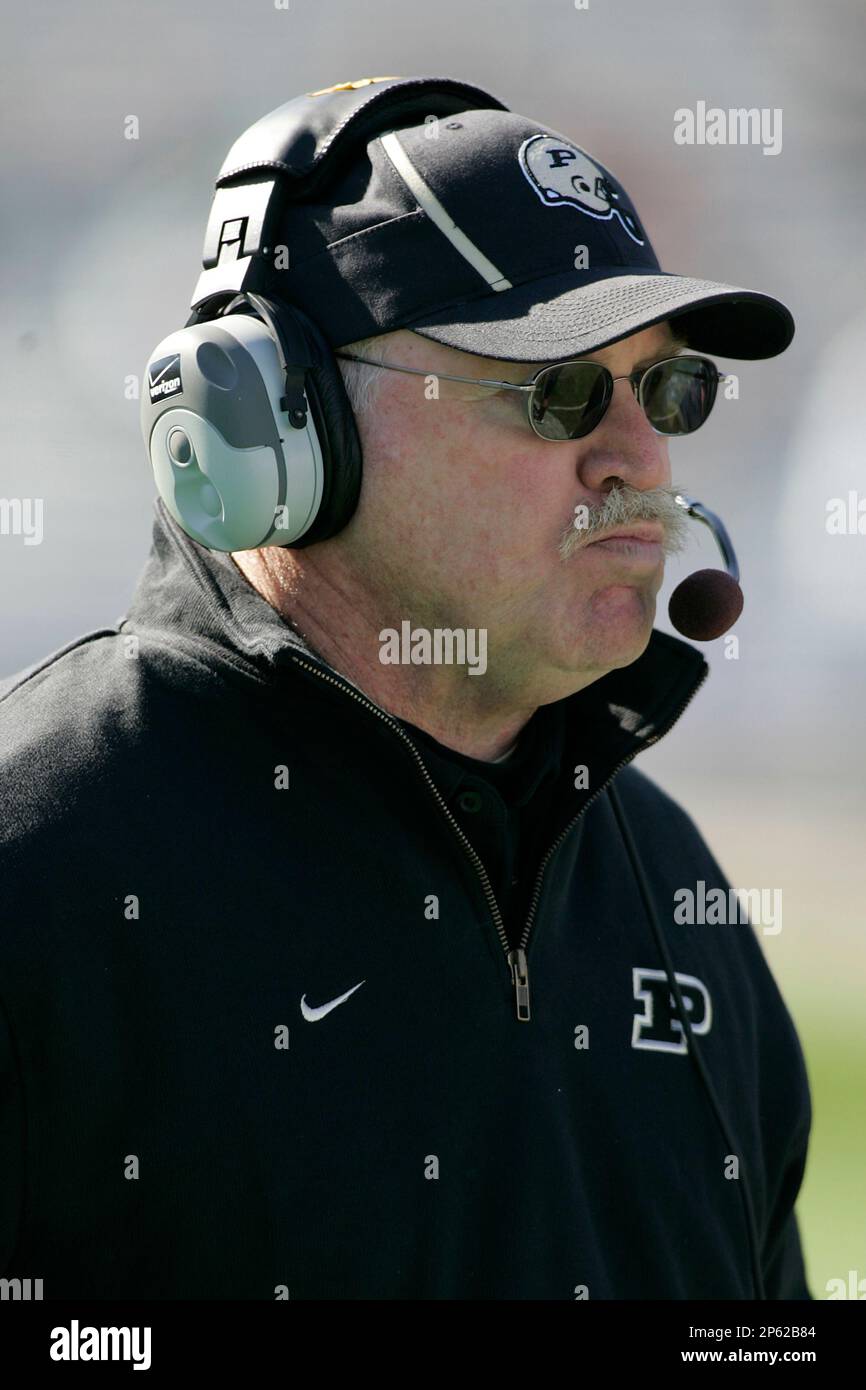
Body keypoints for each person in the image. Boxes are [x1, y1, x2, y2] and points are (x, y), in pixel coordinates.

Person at [0, 76, 810, 1300]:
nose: (639, 455)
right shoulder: (39, 856)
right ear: (280, 422)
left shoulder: (667, 884)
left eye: (668, 388)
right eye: (561, 391)